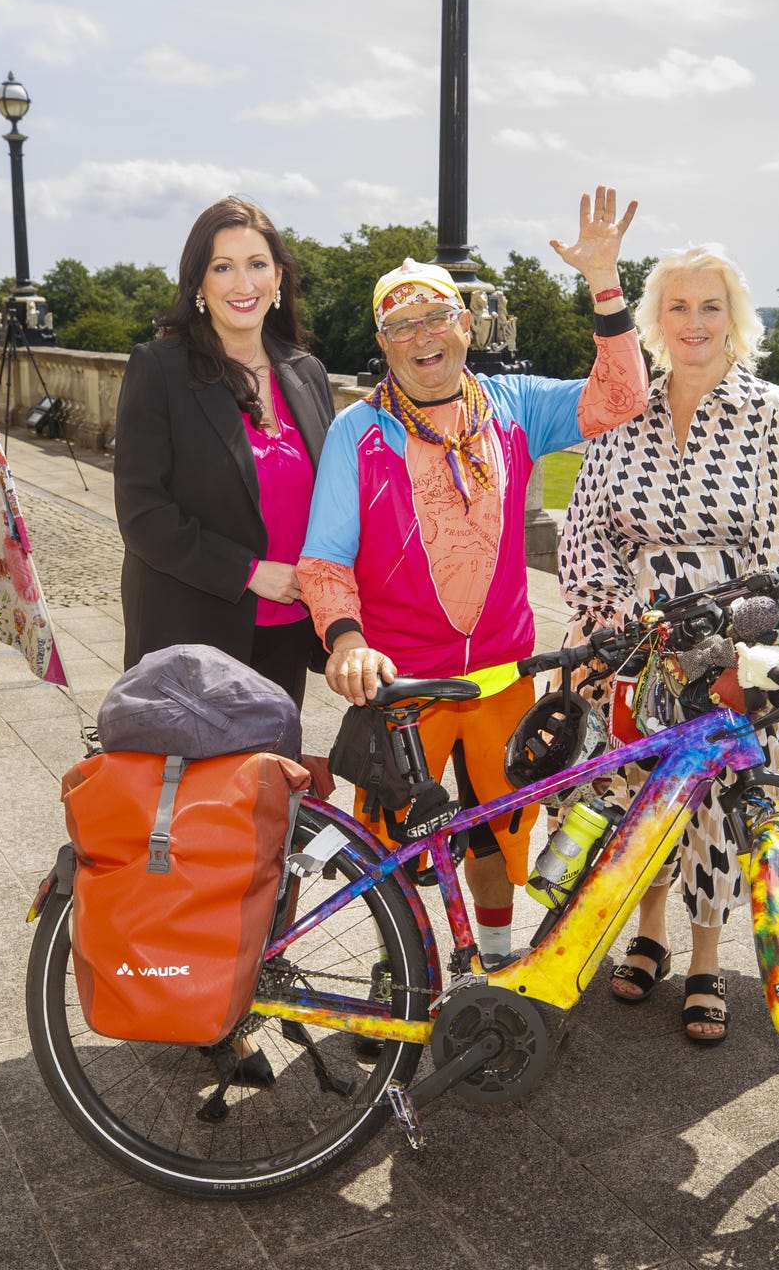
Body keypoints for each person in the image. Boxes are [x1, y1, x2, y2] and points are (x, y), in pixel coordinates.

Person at [297, 186, 650, 970]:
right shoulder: (359, 432)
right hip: (406, 683)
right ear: (384, 345)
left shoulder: (515, 404)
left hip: (502, 674)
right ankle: (402, 975)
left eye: (437, 317)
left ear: (466, 324)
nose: (423, 337)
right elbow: (322, 564)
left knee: (500, 831)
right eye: (401, 326)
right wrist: (347, 640)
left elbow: (624, 395)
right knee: (393, 848)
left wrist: (603, 281)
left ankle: (496, 967)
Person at [557, 242, 779, 1044]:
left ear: (734, 318)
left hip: (734, 634)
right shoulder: (626, 407)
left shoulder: (773, 411)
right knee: (636, 792)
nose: (694, 323)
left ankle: (705, 958)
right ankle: (649, 934)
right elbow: (588, 526)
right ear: (656, 322)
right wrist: (605, 619)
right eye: (677, 307)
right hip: (633, 634)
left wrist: (743, 640)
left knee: (718, 802)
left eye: (710, 306)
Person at [113, 197, 335, 710]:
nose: (243, 284)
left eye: (257, 265)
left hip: (288, 627)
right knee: (196, 789)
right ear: (198, 284)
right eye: (223, 267)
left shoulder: (307, 372)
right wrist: (250, 572)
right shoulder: (160, 369)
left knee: (271, 780)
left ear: (279, 279)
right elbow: (143, 515)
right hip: (192, 632)